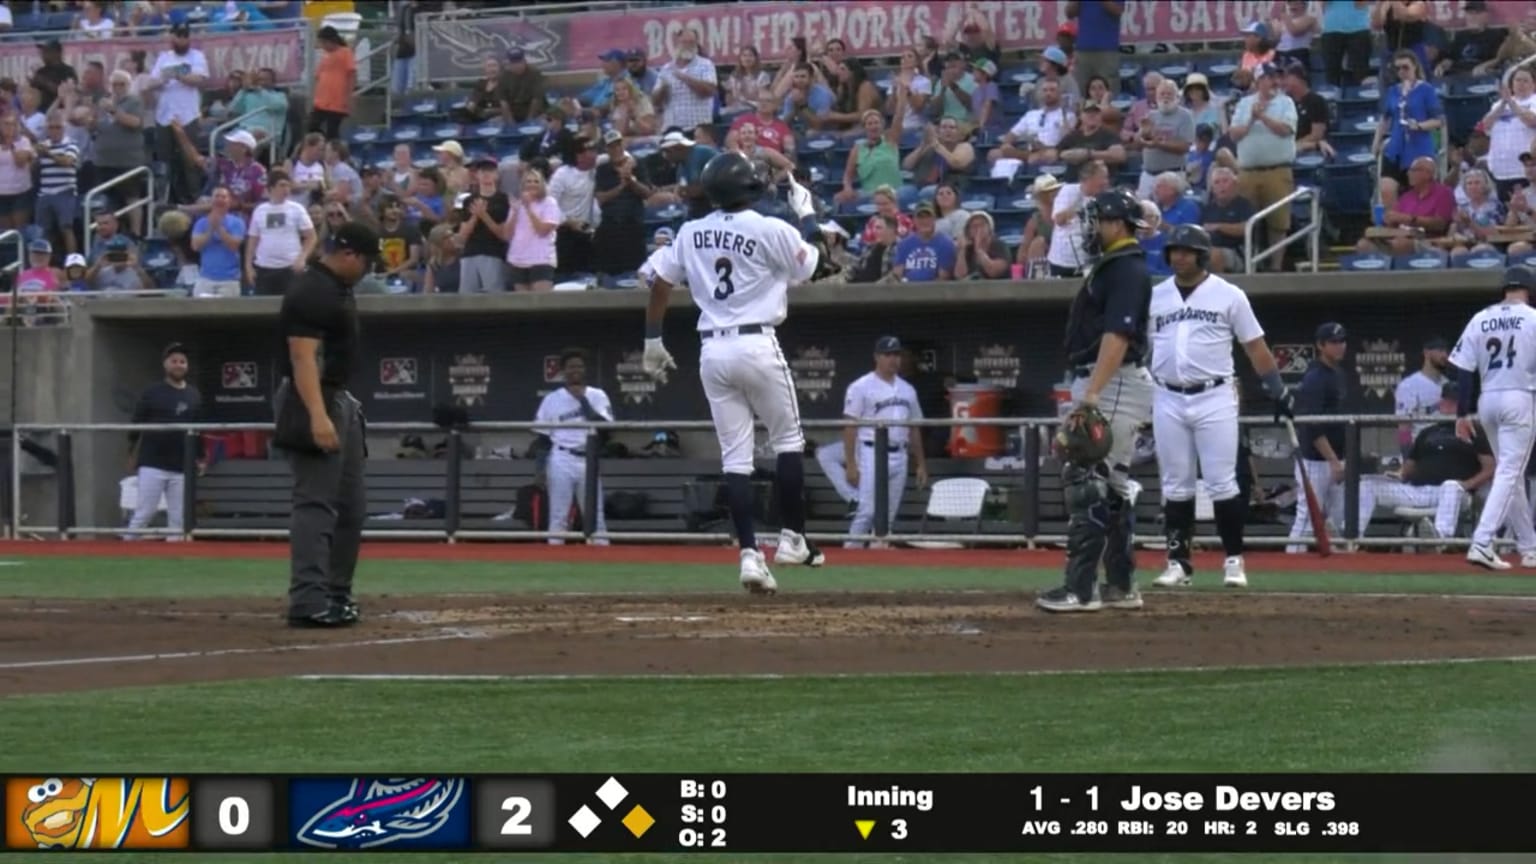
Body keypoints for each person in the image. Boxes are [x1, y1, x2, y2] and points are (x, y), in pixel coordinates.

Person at [640, 152, 830, 592]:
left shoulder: (689, 231)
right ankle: (793, 538)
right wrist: (807, 214)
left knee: (736, 459)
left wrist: (652, 339)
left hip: (713, 351)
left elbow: (659, 282)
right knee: (787, 441)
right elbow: (817, 262)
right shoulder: (770, 227)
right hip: (757, 342)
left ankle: (749, 555)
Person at [1145, 225, 1293, 590]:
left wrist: (1276, 388)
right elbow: (1141, 349)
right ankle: (1178, 564)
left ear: (1202, 254)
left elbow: (1255, 346)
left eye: (1186, 250)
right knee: (1176, 485)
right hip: (1167, 395)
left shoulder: (1229, 295)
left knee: (1222, 483)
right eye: (1174, 251)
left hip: (1215, 396)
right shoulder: (1156, 296)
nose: (1178, 256)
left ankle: (1233, 560)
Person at [1036, 188, 1156, 613]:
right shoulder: (1116, 265)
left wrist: (1091, 395)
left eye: (1097, 220)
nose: (1090, 228)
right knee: (1114, 488)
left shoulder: (1125, 269)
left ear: (1117, 225)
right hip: (1114, 380)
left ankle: (1079, 589)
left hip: (1114, 380)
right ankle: (1121, 586)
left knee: (1087, 479)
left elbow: (1117, 336)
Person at [275, 220, 379, 628]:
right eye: (367, 261)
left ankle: (337, 592)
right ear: (349, 254)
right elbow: (303, 358)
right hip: (312, 397)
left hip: (337, 396)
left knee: (352, 506)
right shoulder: (313, 289)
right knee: (315, 502)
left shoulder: (337, 287)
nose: (369, 270)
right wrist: (318, 415)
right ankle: (308, 599)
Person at [1447, 265, 1536, 570]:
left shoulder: (1481, 318)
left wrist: (1462, 412)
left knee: (1512, 474)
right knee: (1510, 472)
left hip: (1488, 400)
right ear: (1529, 289)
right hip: (1520, 397)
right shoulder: (1532, 318)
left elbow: (1463, 369)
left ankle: (1529, 547)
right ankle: (1482, 541)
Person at [1357, 381, 1492, 541]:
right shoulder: (1428, 432)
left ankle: (1440, 538)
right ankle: (1351, 534)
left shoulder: (1473, 430)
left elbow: (1490, 467)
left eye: (1454, 402)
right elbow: (1409, 466)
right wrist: (1398, 474)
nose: (1449, 405)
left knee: (1450, 485)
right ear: (1441, 402)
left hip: (1453, 493)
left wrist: (1467, 485)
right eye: (1446, 400)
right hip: (1418, 490)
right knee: (1367, 485)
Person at [840, 336, 928, 548]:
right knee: (867, 511)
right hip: (871, 451)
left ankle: (876, 562)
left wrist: (921, 463)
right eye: (888, 355)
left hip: (900, 453)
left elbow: (914, 428)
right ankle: (848, 555)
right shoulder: (861, 386)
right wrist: (851, 464)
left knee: (887, 516)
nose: (893, 359)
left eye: (897, 354)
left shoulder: (908, 389)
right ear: (876, 357)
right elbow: (849, 426)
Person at [532, 349, 613, 546]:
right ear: (563, 371)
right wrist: (540, 469)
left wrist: (583, 401)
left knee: (595, 516)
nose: (575, 370)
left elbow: (606, 431)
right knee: (558, 516)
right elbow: (543, 439)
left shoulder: (597, 395)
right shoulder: (552, 399)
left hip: (588, 458)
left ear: (585, 370)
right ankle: (555, 561)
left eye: (579, 366)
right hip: (561, 458)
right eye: (570, 367)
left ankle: (603, 563)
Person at [125, 343, 202, 539]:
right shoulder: (152, 392)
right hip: (152, 463)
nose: (179, 365)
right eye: (174, 361)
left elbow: (198, 428)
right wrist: (132, 452)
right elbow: (136, 424)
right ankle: (125, 549)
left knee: (178, 518)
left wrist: (200, 456)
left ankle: (174, 557)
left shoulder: (194, 395)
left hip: (181, 465)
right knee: (144, 513)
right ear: (165, 365)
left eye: (182, 361)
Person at [1286, 322, 1350, 554]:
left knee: (1336, 520)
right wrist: (1333, 460)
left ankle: (1331, 572)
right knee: (1307, 517)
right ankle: (1290, 566)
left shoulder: (1339, 374)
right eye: (1334, 342)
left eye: (1342, 341)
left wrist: (1339, 460)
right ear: (1321, 346)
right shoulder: (1315, 378)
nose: (1340, 346)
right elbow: (1312, 425)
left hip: (1337, 457)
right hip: (1316, 460)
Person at [245, 170, 317, 297]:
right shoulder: (260, 210)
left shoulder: (297, 209)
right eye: (282, 185)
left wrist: (302, 258)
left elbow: (311, 237)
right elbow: (252, 240)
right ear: (271, 188)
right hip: (264, 269)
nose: (286, 189)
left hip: (290, 268)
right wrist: (249, 266)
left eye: (288, 185)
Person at [1395, 336, 1451, 453]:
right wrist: (1407, 458)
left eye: (1446, 351)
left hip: (1447, 447)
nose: (1445, 355)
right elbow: (1404, 427)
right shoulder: (1409, 385)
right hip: (1422, 451)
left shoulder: (1448, 384)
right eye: (1440, 351)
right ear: (1426, 353)